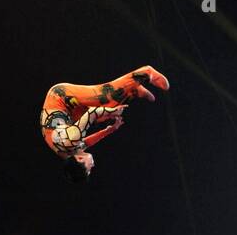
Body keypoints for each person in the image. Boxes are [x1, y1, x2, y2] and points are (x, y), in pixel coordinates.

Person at [38, 66, 170, 181]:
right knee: (104, 114)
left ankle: (145, 73)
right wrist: (109, 130)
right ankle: (133, 90)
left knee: (104, 97)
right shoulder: (69, 152)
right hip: (69, 112)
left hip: (60, 96)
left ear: (80, 160)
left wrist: (110, 111)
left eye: (88, 170)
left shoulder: (70, 140)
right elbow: (86, 143)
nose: (92, 167)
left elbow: (93, 113)